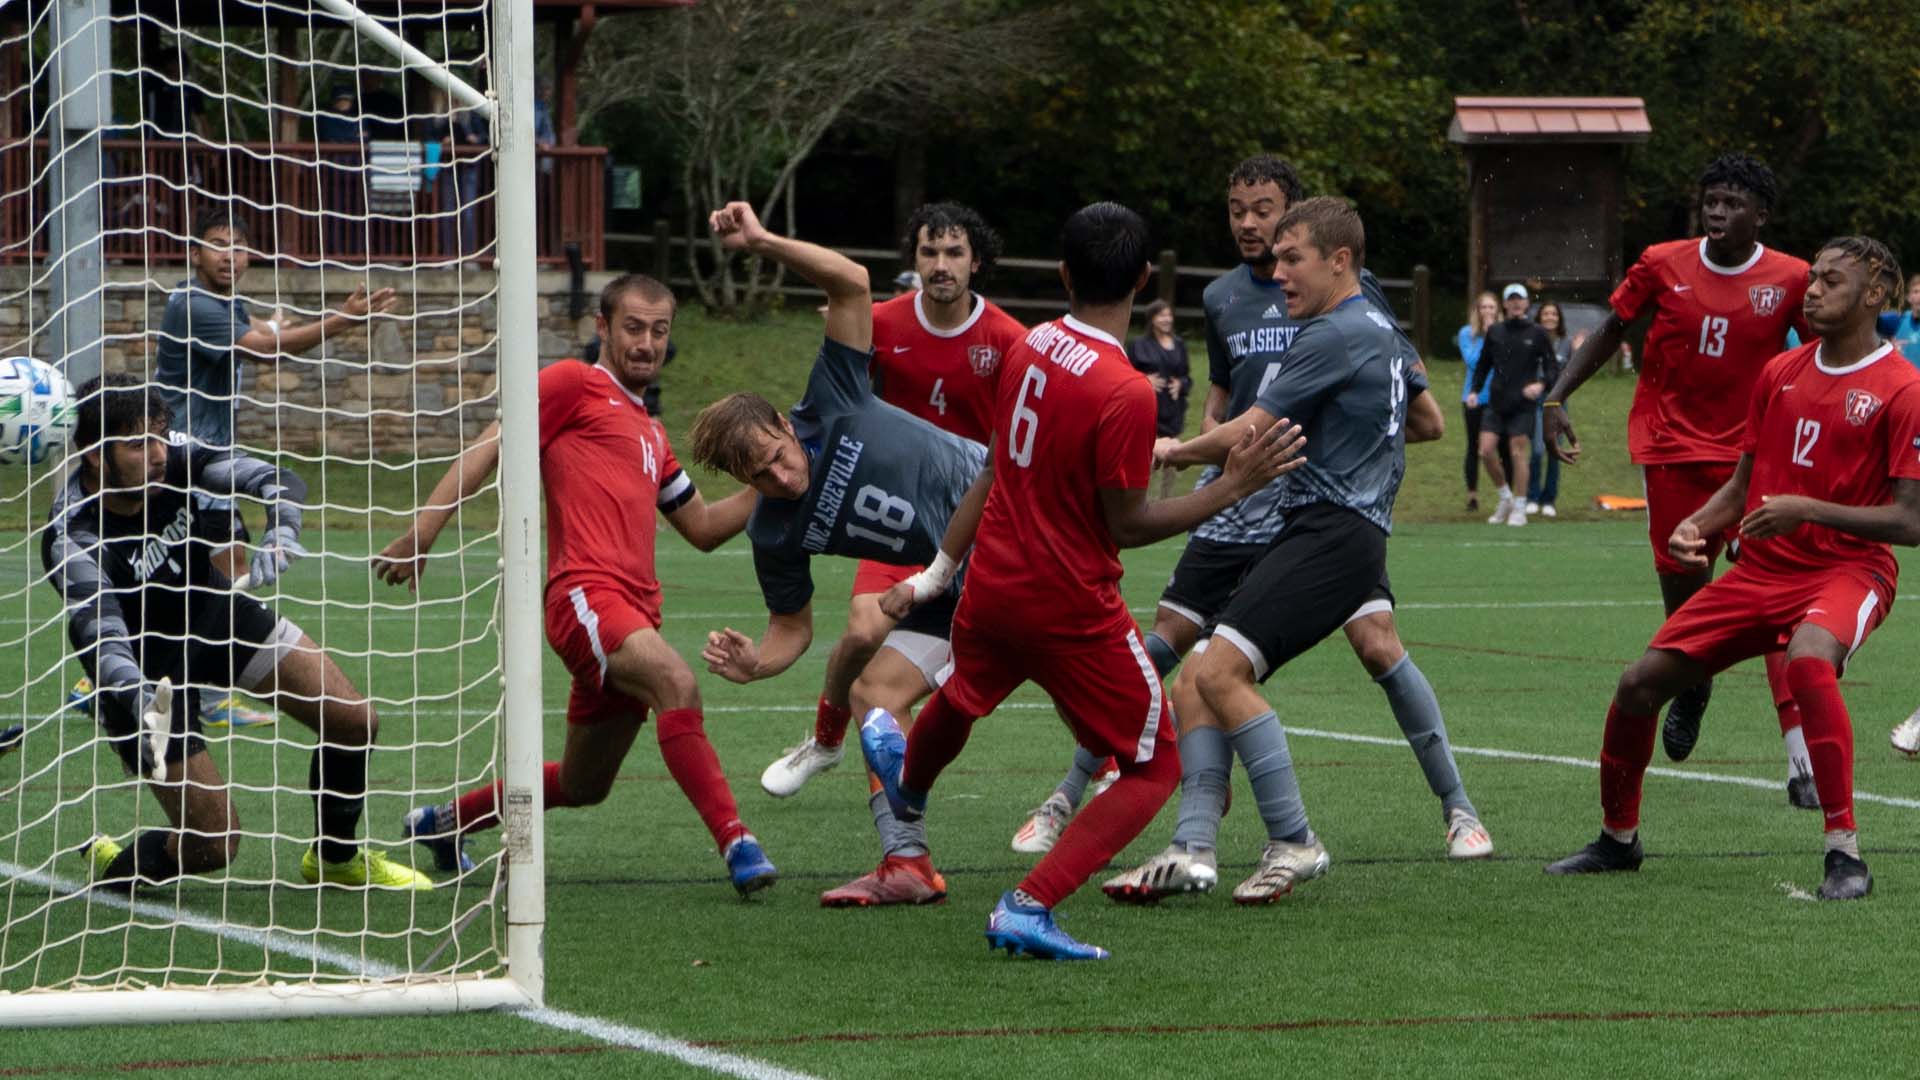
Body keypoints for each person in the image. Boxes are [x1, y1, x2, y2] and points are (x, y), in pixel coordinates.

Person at [862, 201, 1304, 960]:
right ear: (1141, 278)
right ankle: (1027, 904)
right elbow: (1127, 524)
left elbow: (999, 464)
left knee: (963, 696)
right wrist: (1231, 487)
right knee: (1155, 762)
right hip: (1068, 607)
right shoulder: (1125, 389)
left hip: (993, 583)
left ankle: (903, 777)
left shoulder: (1028, 345)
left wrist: (942, 571)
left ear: (1064, 274)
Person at [1045, 157, 1486, 882]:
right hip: (1305, 521)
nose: (1277, 269)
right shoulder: (1349, 319)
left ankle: (1297, 837)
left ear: (1338, 260)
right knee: (1192, 678)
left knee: (1219, 673)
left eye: (1291, 256)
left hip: (1328, 529)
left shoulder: (1334, 331)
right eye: (1269, 249)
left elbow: (1251, 425)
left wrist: (1177, 448)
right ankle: (1192, 846)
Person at [1546, 236, 1920, 902]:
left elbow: (1911, 523)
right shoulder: (1779, 373)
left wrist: (1808, 508)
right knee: (1639, 685)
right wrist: (1700, 525)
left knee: (1808, 660)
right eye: (1813, 279)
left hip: (1850, 571)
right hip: (1759, 575)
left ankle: (1845, 855)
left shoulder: (1903, 388)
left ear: (1874, 295)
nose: (1812, 289)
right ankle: (1618, 840)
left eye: (1832, 281)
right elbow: (1744, 486)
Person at [374, 274, 774, 895]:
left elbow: (701, 527)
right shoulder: (573, 384)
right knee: (678, 682)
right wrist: (423, 532)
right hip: (585, 596)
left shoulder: (652, 433)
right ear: (604, 328)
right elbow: (486, 450)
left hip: (635, 612)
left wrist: (772, 479)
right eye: (634, 328)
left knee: (586, 785)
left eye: (659, 331)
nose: (646, 343)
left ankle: (446, 821)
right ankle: (738, 843)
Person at [693, 202, 1028, 908]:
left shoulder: (834, 398)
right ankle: (906, 861)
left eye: (778, 456)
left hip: (1018, 532)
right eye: (759, 476)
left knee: (1117, 701)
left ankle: (1165, 805)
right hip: (941, 586)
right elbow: (791, 628)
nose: (781, 478)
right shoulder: (774, 533)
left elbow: (849, 283)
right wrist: (759, 663)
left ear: (788, 423)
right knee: (873, 691)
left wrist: (760, 242)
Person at [54, 374, 430, 892]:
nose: (159, 453)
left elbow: (277, 480)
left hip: (218, 618)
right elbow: (105, 641)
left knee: (353, 721)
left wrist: (282, 529)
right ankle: (117, 870)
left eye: (161, 434)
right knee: (214, 843)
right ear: (95, 454)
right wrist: (141, 700)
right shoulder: (74, 536)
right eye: (139, 443)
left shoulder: (175, 458)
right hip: (147, 681)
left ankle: (335, 859)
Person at [1543, 153, 1815, 805]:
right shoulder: (1662, 263)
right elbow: (1611, 329)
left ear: (1761, 216)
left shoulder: (1793, 278)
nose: (1716, 212)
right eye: (1710, 200)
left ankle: (1801, 763)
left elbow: (1818, 360)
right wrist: (1555, 398)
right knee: (1690, 613)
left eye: (1731, 203)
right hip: (1671, 453)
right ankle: (1695, 685)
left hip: (1755, 461)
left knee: (1779, 603)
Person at [144, 209, 394, 728]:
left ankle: (189, 682)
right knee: (222, 574)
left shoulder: (222, 304)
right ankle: (190, 688)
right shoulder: (195, 305)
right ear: (195, 253)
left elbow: (262, 327)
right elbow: (264, 349)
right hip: (187, 458)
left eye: (237, 246)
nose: (228, 255)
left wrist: (294, 319)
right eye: (216, 244)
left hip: (208, 459)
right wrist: (342, 321)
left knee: (219, 570)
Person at [1469, 284, 1554, 527]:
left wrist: (1540, 385)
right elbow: (1484, 365)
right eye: (1512, 300)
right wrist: (1475, 390)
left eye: (1520, 300)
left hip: (1523, 403)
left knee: (1518, 451)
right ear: (1505, 304)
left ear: (1527, 304)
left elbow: (1551, 369)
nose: (1516, 303)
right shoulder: (1495, 331)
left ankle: (1520, 505)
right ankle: (1505, 497)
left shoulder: (1537, 332)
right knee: (1485, 450)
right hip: (1497, 402)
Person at [1127, 299, 1192, 499]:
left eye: (1169, 315)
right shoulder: (1139, 345)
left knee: (1172, 456)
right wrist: (1143, 379)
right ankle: (1142, 498)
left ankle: (1165, 499)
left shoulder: (1179, 344)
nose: (1166, 319)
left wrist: (1181, 384)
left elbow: (1187, 376)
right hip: (1148, 410)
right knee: (1149, 455)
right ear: (1152, 319)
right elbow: (1125, 374)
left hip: (1172, 408)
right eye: (1161, 315)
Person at [1525, 300, 1572, 518]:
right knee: (1536, 450)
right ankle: (1532, 496)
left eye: (1554, 314)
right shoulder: (1532, 340)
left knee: (1555, 452)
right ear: (1539, 317)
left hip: (1558, 403)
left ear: (1559, 318)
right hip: (1537, 401)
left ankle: (1549, 499)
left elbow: (1570, 372)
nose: (1550, 317)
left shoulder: (1566, 343)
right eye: (1546, 314)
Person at [1457, 291, 1498, 512]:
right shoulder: (1467, 334)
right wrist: (1489, 337)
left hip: (1498, 397)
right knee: (1473, 446)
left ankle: (1507, 493)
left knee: (1499, 446)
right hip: (1473, 398)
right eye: (1484, 307)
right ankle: (1472, 495)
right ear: (1477, 311)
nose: (1488, 311)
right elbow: (1474, 361)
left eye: (1492, 307)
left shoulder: (1502, 333)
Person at [1892, 273, 1920, 368]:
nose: (1919, 296)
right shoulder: (1898, 321)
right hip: (1903, 380)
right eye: (1916, 292)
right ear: (1908, 297)